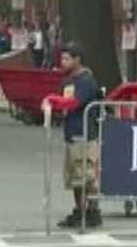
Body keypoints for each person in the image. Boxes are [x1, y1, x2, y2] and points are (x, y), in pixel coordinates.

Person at [42, 44, 103, 228]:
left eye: (67, 59)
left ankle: (91, 212)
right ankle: (79, 210)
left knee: (86, 175)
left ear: (77, 60)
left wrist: (54, 101)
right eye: (62, 59)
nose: (63, 62)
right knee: (74, 177)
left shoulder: (86, 81)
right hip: (71, 132)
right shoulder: (68, 81)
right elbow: (64, 102)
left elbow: (74, 102)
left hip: (85, 133)